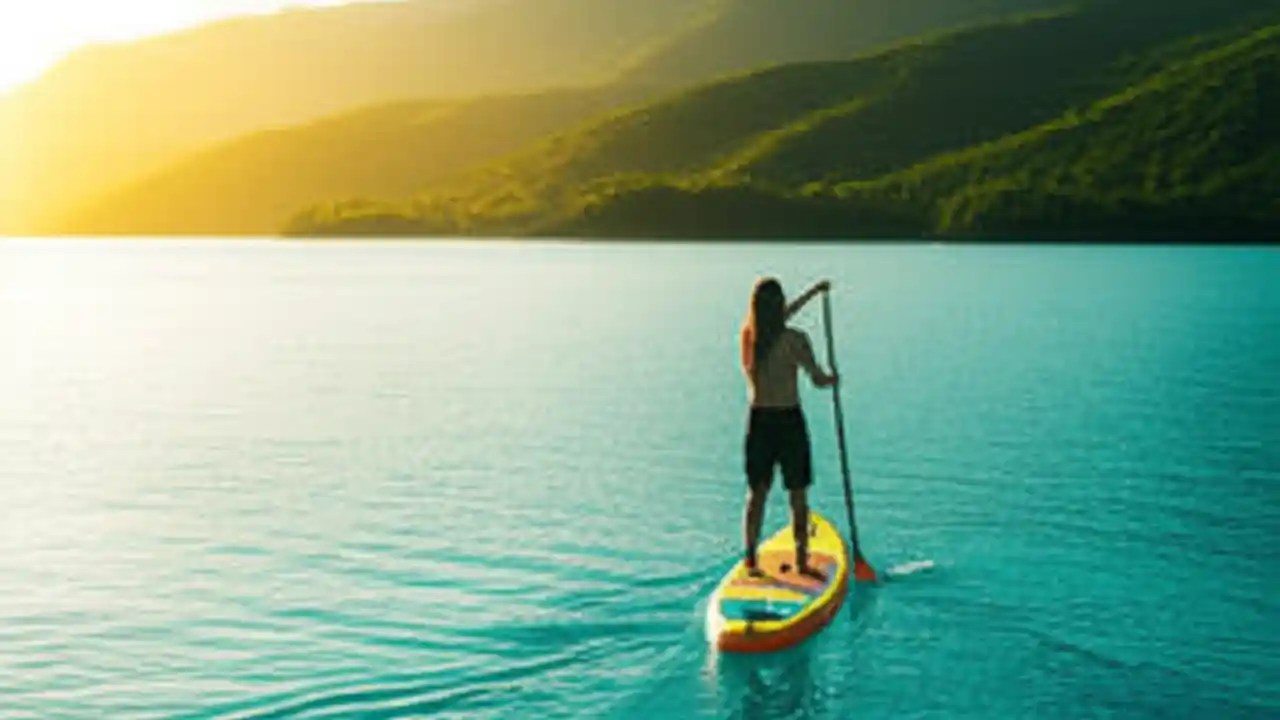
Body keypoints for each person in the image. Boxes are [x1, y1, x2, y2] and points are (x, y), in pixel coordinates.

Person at [739, 276, 837, 580]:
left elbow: (772, 321)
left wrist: (810, 293)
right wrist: (832, 378)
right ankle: (801, 562)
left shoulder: (749, 339)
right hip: (788, 422)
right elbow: (818, 380)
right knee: (797, 494)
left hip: (758, 422)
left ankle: (751, 559)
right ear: (781, 306)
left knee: (757, 493)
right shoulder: (795, 340)